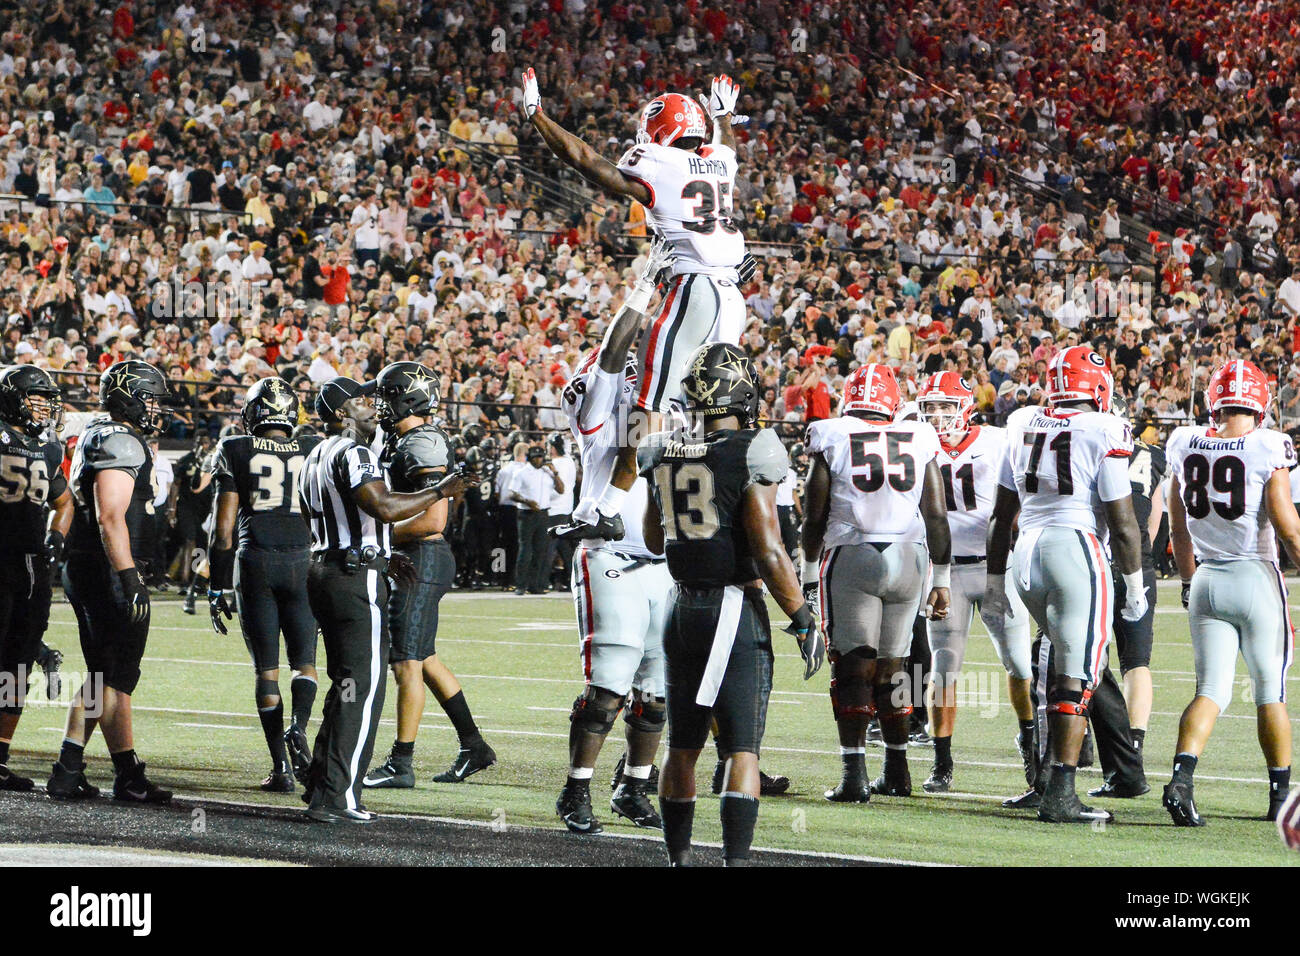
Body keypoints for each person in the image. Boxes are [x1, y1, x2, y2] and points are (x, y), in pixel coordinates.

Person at [526, 70, 752, 537]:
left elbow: (585, 159)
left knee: (648, 406)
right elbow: (725, 144)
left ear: (660, 132)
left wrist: (538, 117)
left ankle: (604, 508)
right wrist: (723, 115)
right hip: (733, 295)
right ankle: (724, 508)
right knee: (707, 406)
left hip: (696, 290)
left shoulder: (657, 161)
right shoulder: (721, 160)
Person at [639, 342, 824, 866]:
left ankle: (677, 858)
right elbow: (768, 550)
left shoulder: (660, 449)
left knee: (683, 745)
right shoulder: (753, 447)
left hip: (680, 607)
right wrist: (803, 617)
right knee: (742, 748)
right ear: (743, 393)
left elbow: (656, 540)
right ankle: (736, 861)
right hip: (730, 609)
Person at [985, 345, 1147, 824]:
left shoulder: (1021, 422)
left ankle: (1046, 781)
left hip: (1025, 553)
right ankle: (1061, 792)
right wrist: (1135, 585)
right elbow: (1122, 523)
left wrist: (995, 581)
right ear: (1097, 386)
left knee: (1052, 661)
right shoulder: (1103, 427)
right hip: (1074, 549)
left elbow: (1000, 515)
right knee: (1076, 675)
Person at [295, 376, 464, 824]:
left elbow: (341, 520)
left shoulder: (315, 453)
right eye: (361, 402)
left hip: (326, 569)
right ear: (339, 415)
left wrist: (385, 554)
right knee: (364, 691)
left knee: (345, 685)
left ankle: (321, 783)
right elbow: (383, 507)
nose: (372, 407)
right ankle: (339, 796)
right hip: (353, 576)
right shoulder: (354, 451)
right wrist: (440, 490)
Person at [555, 245, 672, 833]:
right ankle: (576, 792)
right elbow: (611, 354)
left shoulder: (671, 395)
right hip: (610, 555)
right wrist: (647, 284)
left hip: (663, 561)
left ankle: (634, 787)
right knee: (608, 689)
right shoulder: (598, 388)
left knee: (658, 692)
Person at [801, 363, 951, 802]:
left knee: (853, 667)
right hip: (910, 557)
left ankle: (853, 776)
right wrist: (941, 577)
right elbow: (937, 514)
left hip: (854, 552)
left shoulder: (830, 433)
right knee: (896, 665)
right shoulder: (919, 435)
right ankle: (898, 771)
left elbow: (814, 514)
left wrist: (810, 574)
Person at [1162, 359, 1298, 827]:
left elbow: (1178, 526)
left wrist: (1185, 579)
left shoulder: (1184, 441)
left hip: (1205, 581)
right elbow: (1287, 527)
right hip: (1255, 578)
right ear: (1260, 401)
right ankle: (1281, 797)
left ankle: (1181, 779)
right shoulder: (1267, 444)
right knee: (1269, 691)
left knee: (1210, 690)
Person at [362, 362, 496, 789]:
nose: (378, 404)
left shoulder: (423, 442)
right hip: (412, 557)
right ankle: (474, 745)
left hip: (421, 556)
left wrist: (381, 535)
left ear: (408, 397)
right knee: (425, 658)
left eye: (385, 396)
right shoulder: (400, 439)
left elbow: (434, 519)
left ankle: (402, 762)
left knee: (405, 662)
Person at [50, 360, 173, 804]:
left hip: (95, 565)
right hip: (106, 568)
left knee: (113, 676)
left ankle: (120, 772)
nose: (156, 406)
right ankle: (69, 767)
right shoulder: (119, 438)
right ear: (126, 396)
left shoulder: (104, 434)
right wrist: (128, 574)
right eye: (150, 397)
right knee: (109, 675)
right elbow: (109, 515)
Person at [913, 371, 1033, 794]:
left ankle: (1029, 739)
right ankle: (942, 760)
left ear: (965, 407)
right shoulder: (914, 444)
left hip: (995, 565)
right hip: (944, 571)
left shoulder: (997, 440)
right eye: (931, 407)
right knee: (943, 667)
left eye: (946, 406)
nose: (937, 415)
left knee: (1019, 662)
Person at [207, 377, 322, 792]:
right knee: (305, 662)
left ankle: (281, 769)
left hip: (255, 560)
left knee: (266, 670)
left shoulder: (235, 447)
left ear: (253, 412)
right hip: (303, 559)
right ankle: (300, 727)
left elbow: (222, 530)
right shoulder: (312, 448)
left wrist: (217, 585)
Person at [0, 367, 73, 791]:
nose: (44, 406)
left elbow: (65, 502)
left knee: (18, 664)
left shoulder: (46, 448)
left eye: (47, 398)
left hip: (31, 567)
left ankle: (1, 756)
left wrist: (56, 537)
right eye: (35, 397)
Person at [507, 444, 563, 594]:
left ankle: (535, 585)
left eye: (540, 457)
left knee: (540, 551)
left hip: (543, 514)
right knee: (525, 551)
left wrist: (555, 472)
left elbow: (561, 490)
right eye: (535, 457)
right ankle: (520, 585)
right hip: (526, 514)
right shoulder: (521, 472)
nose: (538, 460)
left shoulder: (547, 473)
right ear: (529, 458)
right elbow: (512, 493)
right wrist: (526, 501)